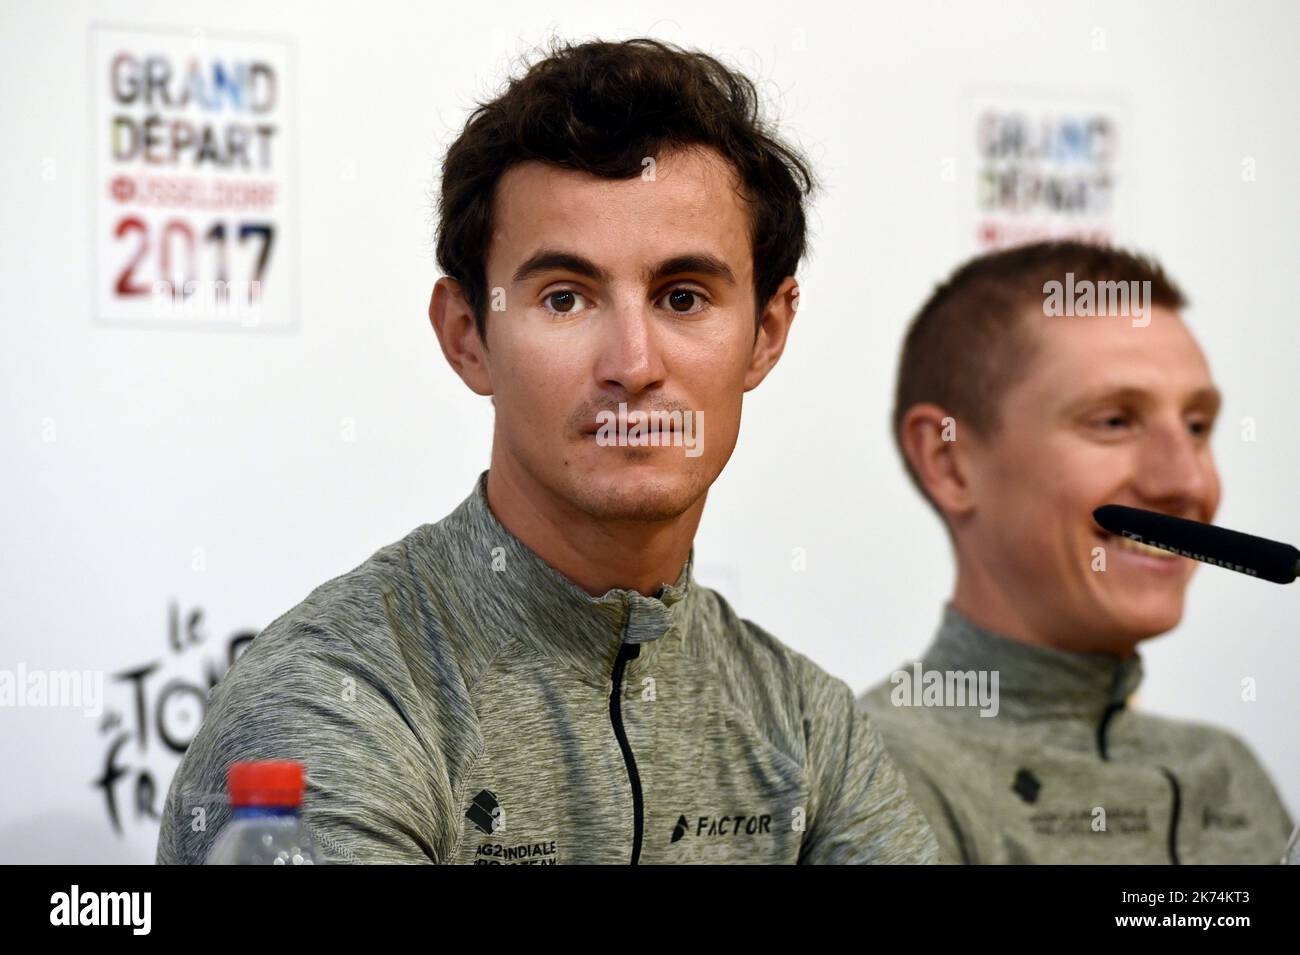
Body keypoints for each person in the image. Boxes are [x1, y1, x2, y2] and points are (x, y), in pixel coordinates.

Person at [157, 36, 937, 865]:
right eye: (565, 298)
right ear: (468, 336)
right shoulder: (332, 701)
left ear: (766, 333)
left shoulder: (811, 728)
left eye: (683, 296)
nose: (633, 366)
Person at [859, 241, 1292, 863]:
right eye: (1114, 421)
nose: (1188, 483)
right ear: (949, 461)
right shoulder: (867, 779)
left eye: (1197, 427)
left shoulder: (1228, 771)